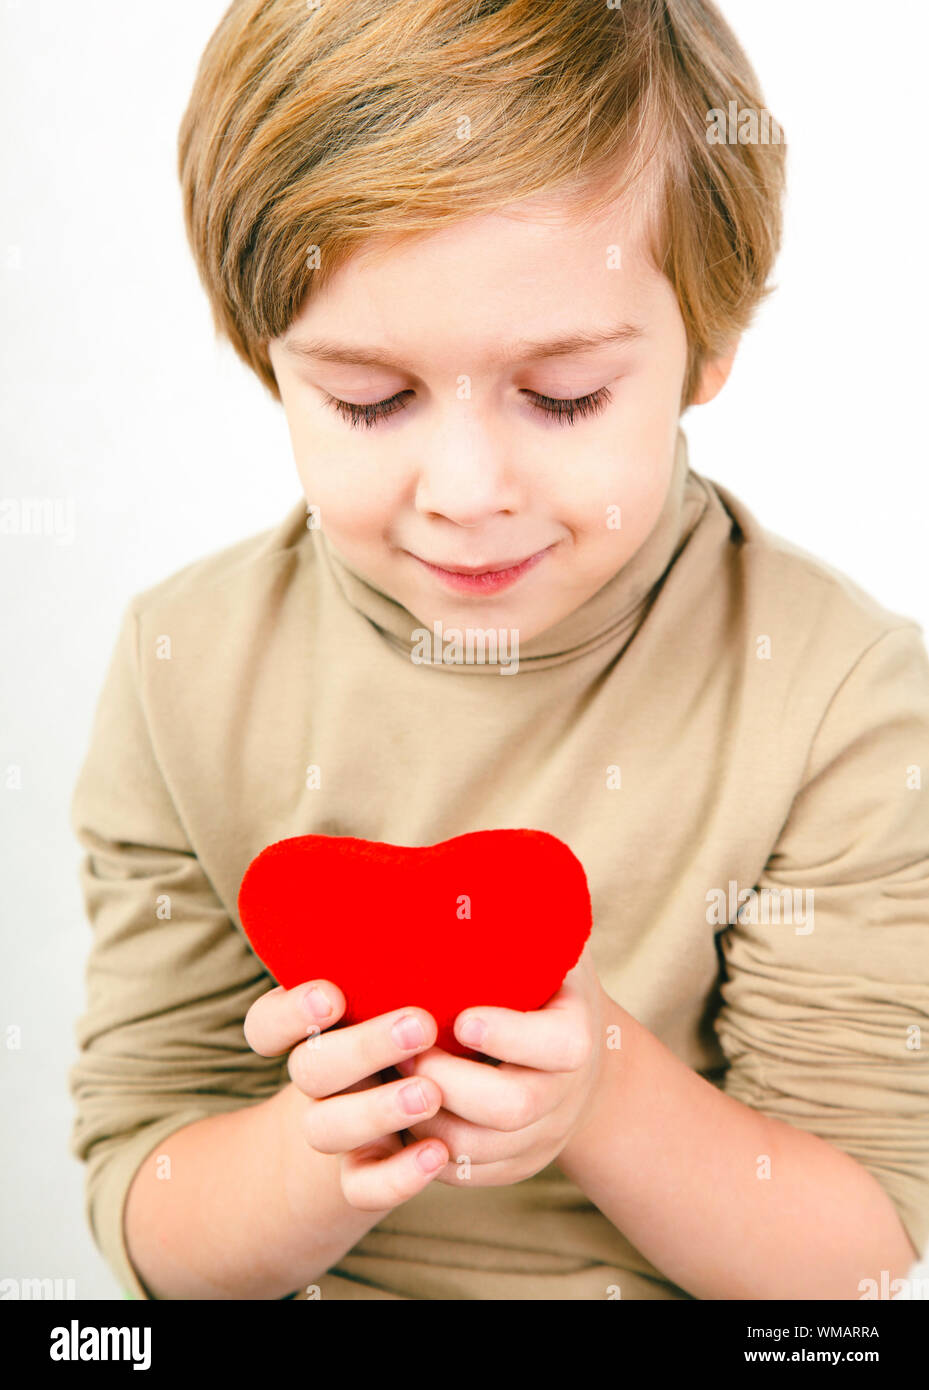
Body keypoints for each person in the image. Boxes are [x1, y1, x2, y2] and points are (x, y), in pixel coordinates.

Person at [69, 0, 929, 1300]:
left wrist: (597, 1085)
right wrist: (322, 1148)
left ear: (710, 343)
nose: (466, 487)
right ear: (267, 360)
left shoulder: (837, 700)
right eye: (369, 399)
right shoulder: (182, 664)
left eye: (563, 395)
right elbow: (145, 1193)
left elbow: (861, 1249)